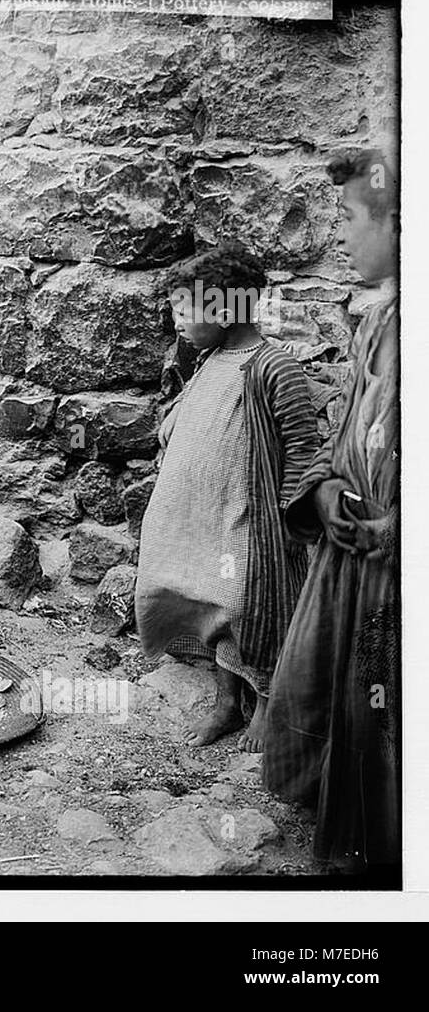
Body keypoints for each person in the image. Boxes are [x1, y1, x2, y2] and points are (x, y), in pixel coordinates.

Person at [263, 149, 400, 876]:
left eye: (349, 219)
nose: (339, 236)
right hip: (355, 553)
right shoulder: (374, 323)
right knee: (351, 701)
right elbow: (345, 429)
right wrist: (322, 492)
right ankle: (353, 838)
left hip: (399, 573)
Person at [136, 246, 321, 752]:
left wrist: (291, 519)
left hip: (255, 522)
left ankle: (265, 704)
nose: (176, 323)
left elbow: (303, 446)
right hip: (209, 520)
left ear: (221, 311)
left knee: (252, 607)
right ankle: (225, 704)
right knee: (215, 606)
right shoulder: (212, 359)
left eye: (182, 311)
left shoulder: (272, 367)